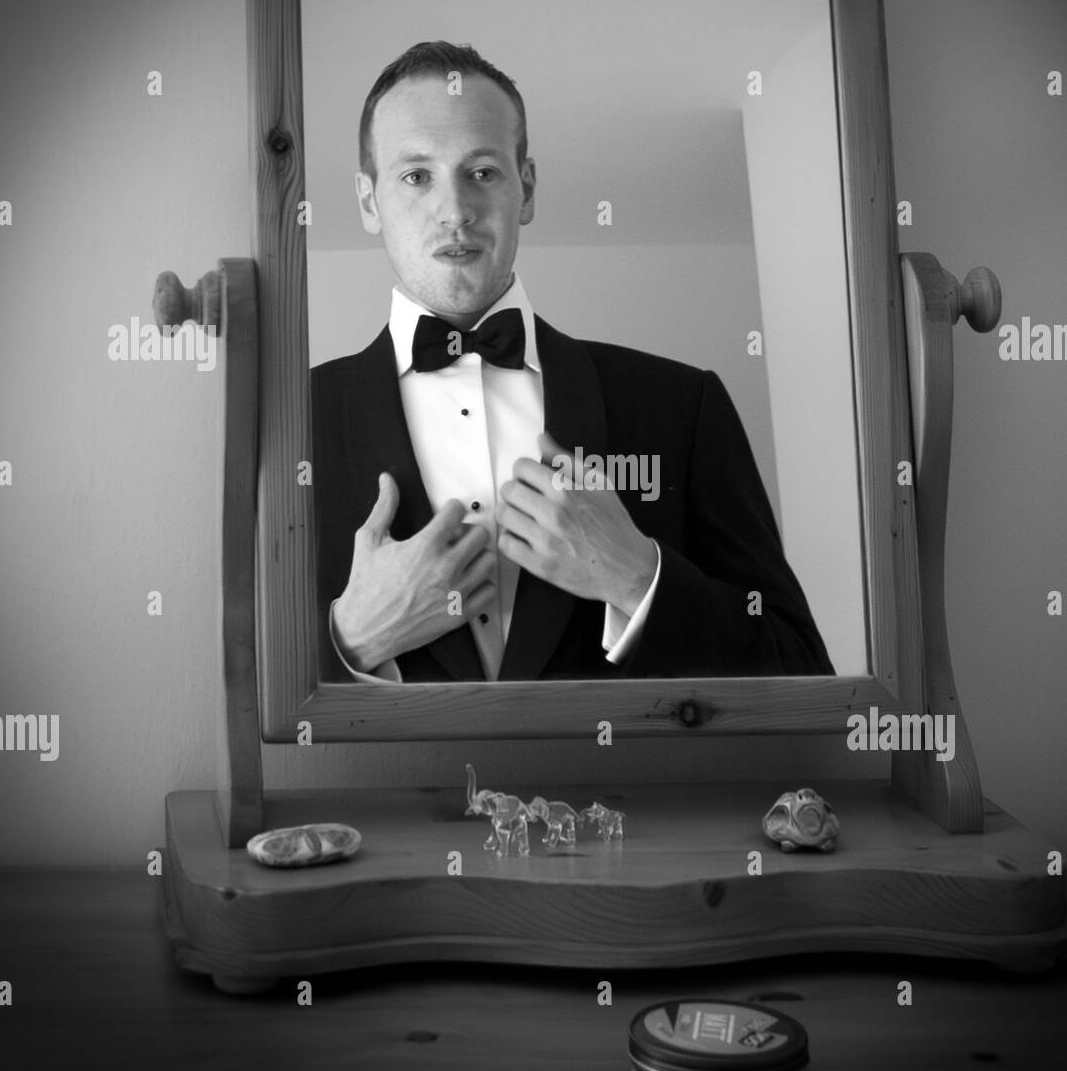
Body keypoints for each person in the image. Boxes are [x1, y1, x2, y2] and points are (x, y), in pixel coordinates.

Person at [311, 41, 832, 682]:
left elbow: (799, 671)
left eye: (483, 171)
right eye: (416, 176)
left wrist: (639, 578)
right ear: (369, 201)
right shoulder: (287, 423)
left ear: (525, 189)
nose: (455, 211)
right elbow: (237, 699)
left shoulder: (682, 406)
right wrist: (352, 640)